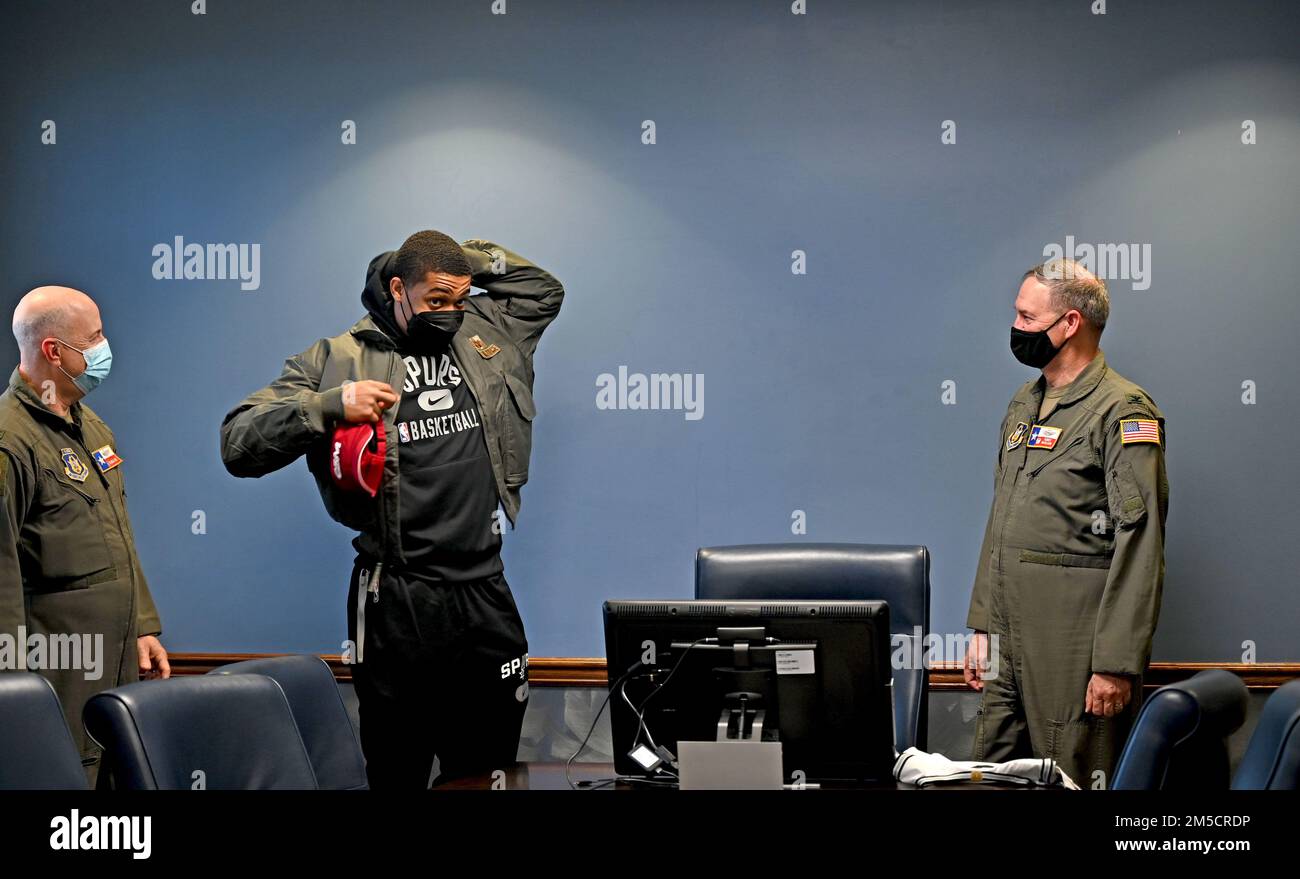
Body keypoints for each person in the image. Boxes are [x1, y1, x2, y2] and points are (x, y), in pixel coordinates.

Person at [220, 231, 563, 788]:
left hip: (485, 593)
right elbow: (238, 443)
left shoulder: (488, 331)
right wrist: (330, 405)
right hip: (397, 599)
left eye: (459, 298)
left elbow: (542, 290)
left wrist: (455, 261)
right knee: (398, 768)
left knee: (490, 769)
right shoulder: (338, 359)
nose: (450, 312)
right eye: (436, 300)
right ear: (398, 288)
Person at [962, 258, 1168, 789]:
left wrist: (1116, 663)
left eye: (1028, 318)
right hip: (1006, 638)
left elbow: (1140, 540)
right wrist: (983, 624)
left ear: (1069, 324)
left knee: (1070, 776)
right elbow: (1002, 514)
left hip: (1075, 643)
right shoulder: (1025, 402)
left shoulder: (1121, 410)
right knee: (989, 773)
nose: (1016, 329)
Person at [0, 285, 169, 787]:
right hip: (56, 669)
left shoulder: (90, 428)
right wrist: (13, 694)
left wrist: (142, 624)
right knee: (66, 782)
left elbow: (117, 531)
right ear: (54, 351)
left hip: (115, 660)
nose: (103, 346)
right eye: (93, 337)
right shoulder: (10, 442)